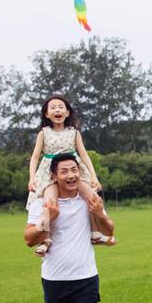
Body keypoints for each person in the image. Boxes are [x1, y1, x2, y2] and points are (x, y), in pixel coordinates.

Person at [24, 151, 116, 303]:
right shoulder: (42, 202)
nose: (71, 175)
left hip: (86, 276)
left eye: (74, 170)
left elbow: (110, 228)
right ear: (54, 176)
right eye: (64, 171)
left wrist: (98, 213)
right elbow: (28, 240)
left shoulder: (89, 199)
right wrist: (48, 218)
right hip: (54, 279)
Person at [27, 94, 114, 257]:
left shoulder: (74, 133)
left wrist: (94, 177)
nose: (57, 110)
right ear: (47, 114)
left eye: (61, 107)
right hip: (50, 172)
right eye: (52, 108)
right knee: (49, 204)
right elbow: (34, 157)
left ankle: (96, 233)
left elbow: (84, 154)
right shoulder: (43, 133)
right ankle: (45, 240)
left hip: (72, 169)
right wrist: (32, 178)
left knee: (92, 196)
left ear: (67, 112)